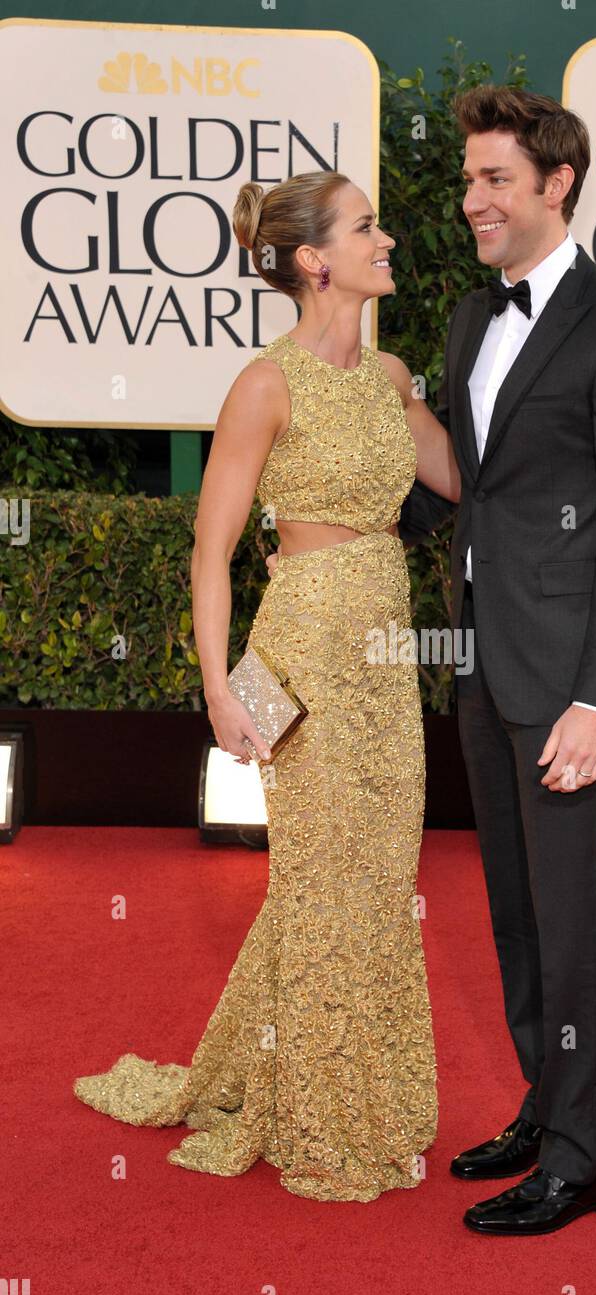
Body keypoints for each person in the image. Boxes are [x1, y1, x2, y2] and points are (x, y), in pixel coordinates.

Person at [73, 171, 459, 1203]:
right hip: (299, 654)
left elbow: (461, 478)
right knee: (322, 880)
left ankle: (345, 1088)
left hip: (385, 655)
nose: (389, 239)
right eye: (368, 226)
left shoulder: (390, 377)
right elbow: (211, 552)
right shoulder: (264, 385)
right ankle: (325, 1118)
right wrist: (217, 690)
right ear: (311, 260)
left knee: (374, 883)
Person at [393, 86, 596, 1235]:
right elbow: (466, 482)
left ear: (555, 184)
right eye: (466, 180)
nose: (471, 200)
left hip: (564, 681)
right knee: (511, 910)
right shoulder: (470, 319)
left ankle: (585, 1153)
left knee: (571, 919)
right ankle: (542, 1098)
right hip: (483, 661)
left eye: (493, 180)